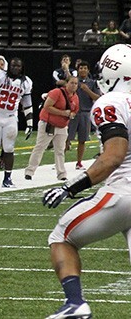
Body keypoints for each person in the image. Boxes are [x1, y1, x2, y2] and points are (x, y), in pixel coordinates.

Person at [40, 43, 131, 319]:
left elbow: (114, 156)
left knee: (62, 236)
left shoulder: (111, 102)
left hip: (125, 192)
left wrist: (70, 188)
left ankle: (75, 304)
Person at [0, 57, 34, 188]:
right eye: (13, 65)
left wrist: (30, 123)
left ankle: (7, 178)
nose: (15, 68)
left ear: (22, 68)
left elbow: (27, 103)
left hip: (10, 117)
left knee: (9, 148)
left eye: (18, 66)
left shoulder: (26, 82)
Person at [25, 76, 79, 181]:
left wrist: (71, 114)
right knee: (40, 147)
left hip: (62, 126)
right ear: (66, 84)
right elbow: (47, 106)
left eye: (76, 83)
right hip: (48, 124)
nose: (74, 85)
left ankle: (61, 173)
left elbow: (75, 111)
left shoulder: (75, 97)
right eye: (72, 83)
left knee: (60, 150)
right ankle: (30, 171)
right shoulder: (57, 92)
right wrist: (63, 113)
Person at [68, 61, 101, 170]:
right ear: (78, 70)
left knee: (82, 139)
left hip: (86, 112)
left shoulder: (92, 83)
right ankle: (59, 161)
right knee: (67, 138)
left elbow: (97, 97)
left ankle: (79, 162)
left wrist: (87, 90)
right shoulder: (74, 82)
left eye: (85, 68)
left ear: (88, 70)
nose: (83, 70)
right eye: (81, 68)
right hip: (73, 112)